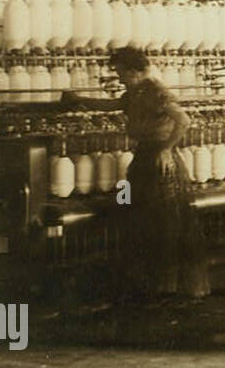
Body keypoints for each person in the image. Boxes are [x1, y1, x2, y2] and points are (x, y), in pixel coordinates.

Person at [64, 46, 209, 300]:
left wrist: (166, 149)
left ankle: (167, 285)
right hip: (143, 159)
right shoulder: (134, 92)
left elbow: (184, 120)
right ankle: (152, 283)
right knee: (143, 217)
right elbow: (111, 105)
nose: (118, 77)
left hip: (159, 162)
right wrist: (80, 100)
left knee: (163, 221)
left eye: (120, 72)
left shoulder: (156, 91)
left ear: (133, 71)